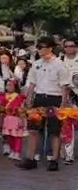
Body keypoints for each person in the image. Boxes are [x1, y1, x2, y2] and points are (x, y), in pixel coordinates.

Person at [18, 37, 72, 171]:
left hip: (54, 98)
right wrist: (28, 100)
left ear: (50, 48)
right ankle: (30, 158)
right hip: (39, 98)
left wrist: (62, 105)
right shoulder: (36, 64)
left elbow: (64, 87)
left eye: (42, 46)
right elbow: (32, 84)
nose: (39, 49)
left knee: (54, 131)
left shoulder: (60, 65)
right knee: (33, 129)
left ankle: (54, 159)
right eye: (38, 47)